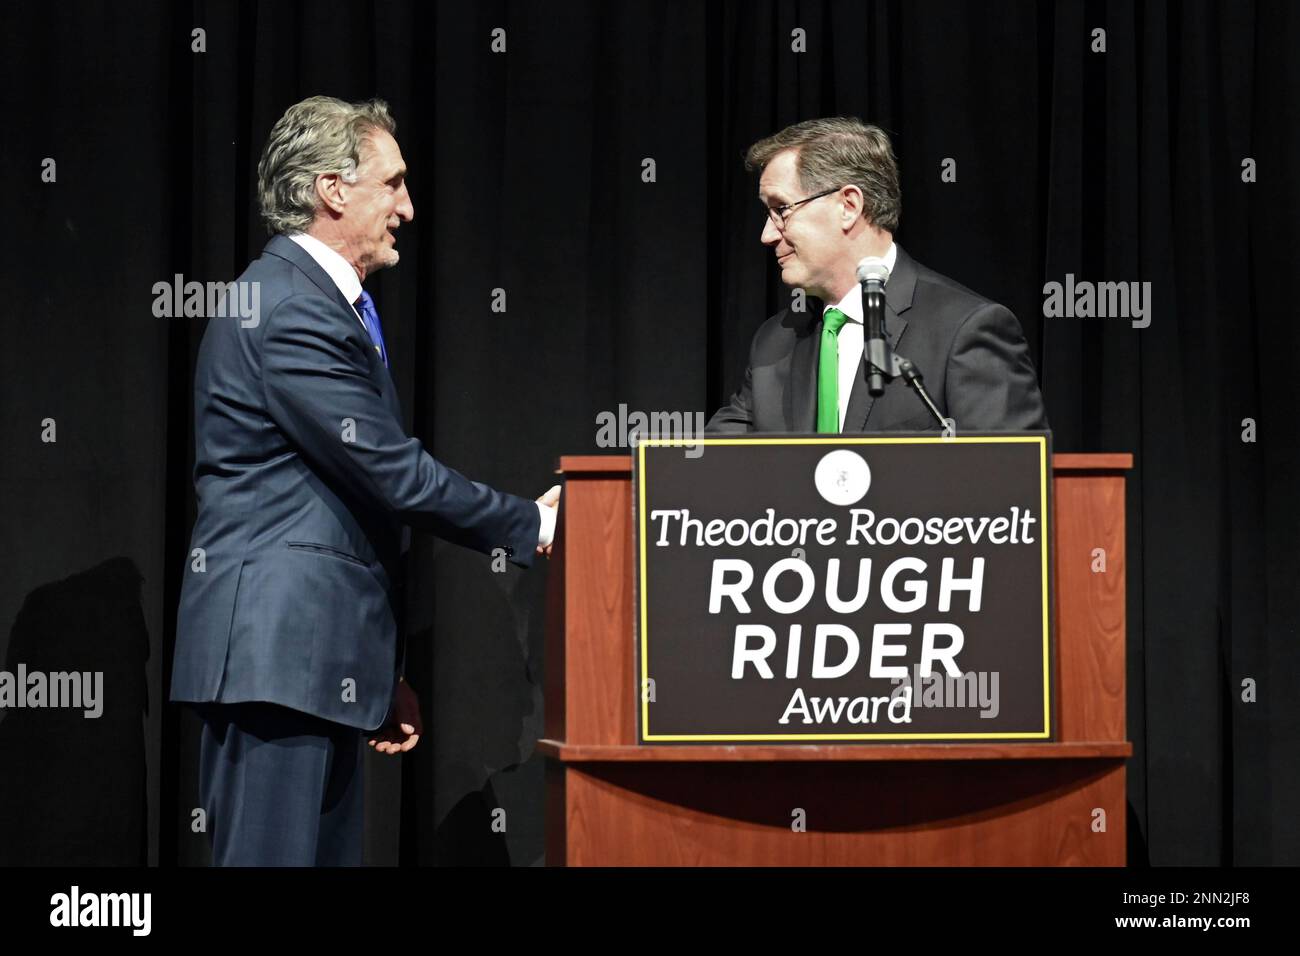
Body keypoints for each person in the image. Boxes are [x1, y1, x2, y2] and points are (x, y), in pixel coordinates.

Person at [170, 95, 559, 865]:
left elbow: (343, 501)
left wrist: (374, 675)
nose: (408, 207)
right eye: (394, 184)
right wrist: (534, 524)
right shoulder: (288, 310)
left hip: (314, 664)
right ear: (333, 190)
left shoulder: (317, 304)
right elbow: (391, 473)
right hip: (275, 660)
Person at [707, 117, 1048, 434]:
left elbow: (1011, 480)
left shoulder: (964, 330)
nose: (768, 234)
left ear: (849, 206)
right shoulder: (775, 342)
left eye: (781, 209)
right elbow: (711, 467)